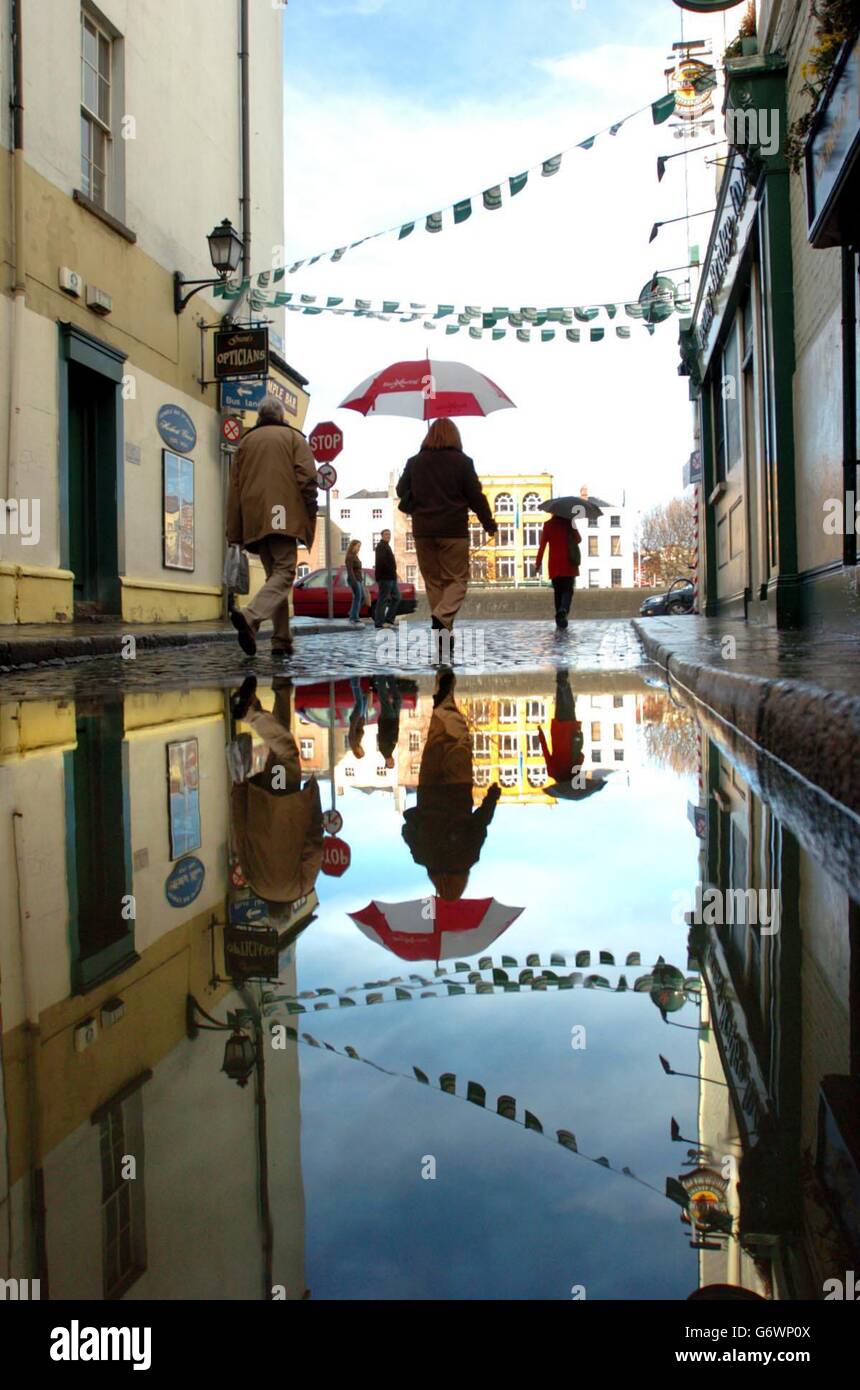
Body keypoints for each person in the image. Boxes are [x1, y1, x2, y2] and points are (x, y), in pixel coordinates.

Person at [226, 394, 318, 658]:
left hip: (254, 518)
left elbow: (234, 490)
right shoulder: (293, 438)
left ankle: (280, 639)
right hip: (282, 514)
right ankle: (251, 616)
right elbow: (308, 478)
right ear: (281, 416)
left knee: (274, 578)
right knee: (286, 573)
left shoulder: (245, 443)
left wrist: (234, 530)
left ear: (259, 416)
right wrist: (309, 512)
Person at [402, 667, 501, 901]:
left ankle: (445, 698)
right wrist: (420, 819)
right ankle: (441, 702)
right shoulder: (422, 857)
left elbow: (481, 821)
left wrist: (493, 795)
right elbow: (406, 831)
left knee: (458, 737)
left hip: (458, 787)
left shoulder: (468, 857)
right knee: (437, 735)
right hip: (428, 789)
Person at [228, 675, 324, 910]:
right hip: (263, 801)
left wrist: (312, 805)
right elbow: (240, 835)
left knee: (285, 753)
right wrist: (239, 790)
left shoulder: (301, 887)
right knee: (278, 746)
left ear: (289, 910)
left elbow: (314, 848)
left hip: (284, 800)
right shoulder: (255, 884)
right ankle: (280, 687)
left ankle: (250, 712)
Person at [396, 418, 497, 639]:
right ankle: (442, 618)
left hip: (423, 531)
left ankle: (443, 634)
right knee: (457, 581)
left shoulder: (415, 462)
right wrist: (489, 524)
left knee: (434, 582)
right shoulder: (463, 462)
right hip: (453, 530)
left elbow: (401, 489)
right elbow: (476, 497)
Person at [535, 511, 582, 629]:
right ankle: (563, 610)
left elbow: (542, 546)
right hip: (568, 563)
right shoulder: (569, 523)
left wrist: (538, 563)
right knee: (568, 590)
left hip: (554, 564)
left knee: (558, 592)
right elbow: (578, 539)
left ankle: (559, 619)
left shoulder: (548, 525)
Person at [373, 529, 400, 629]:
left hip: (391, 577)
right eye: (386, 534)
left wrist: (394, 573)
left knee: (397, 597)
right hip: (385, 578)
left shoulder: (387, 546)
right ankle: (379, 622)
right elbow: (381, 562)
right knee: (382, 600)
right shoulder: (380, 546)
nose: (388, 536)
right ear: (382, 535)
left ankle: (389, 620)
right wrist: (389, 571)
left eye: (389, 534)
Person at [344, 539, 367, 626]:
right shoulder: (350, 556)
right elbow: (350, 570)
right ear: (353, 546)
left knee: (362, 598)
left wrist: (361, 580)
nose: (359, 548)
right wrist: (354, 581)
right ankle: (354, 617)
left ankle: (352, 613)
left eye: (359, 547)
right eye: (358, 546)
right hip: (354, 580)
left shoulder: (355, 556)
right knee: (358, 597)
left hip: (359, 579)